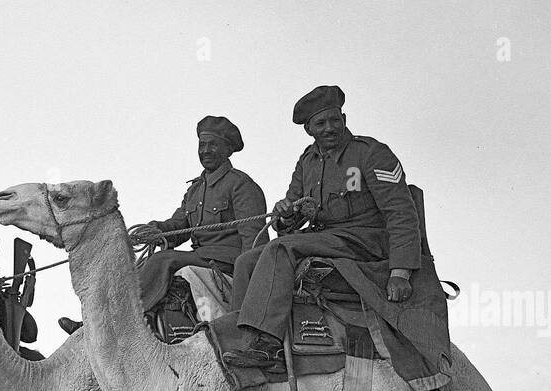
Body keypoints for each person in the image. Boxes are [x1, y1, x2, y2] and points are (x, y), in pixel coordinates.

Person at [221, 86, 422, 369]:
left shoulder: (371, 153)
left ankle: (267, 345)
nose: (329, 128)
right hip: (325, 237)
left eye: (334, 120)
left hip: (365, 239)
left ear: (343, 117)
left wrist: (400, 272)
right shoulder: (307, 162)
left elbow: (401, 212)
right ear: (309, 129)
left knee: (280, 249)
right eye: (320, 123)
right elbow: (289, 220)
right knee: (245, 262)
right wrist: (284, 214)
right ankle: (238, 339)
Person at [58, 116, 265, 334]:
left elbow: (255, 238)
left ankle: (117, 323)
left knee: (161, 260)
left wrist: (251, 285)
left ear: (228, 150)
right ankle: (101, 321)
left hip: (225, 262)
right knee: (136, 266)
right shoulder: (195, 190)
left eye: (213, 145)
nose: (205, 151)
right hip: (201, 256)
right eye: (202, 145)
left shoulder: (241, 185)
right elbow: (178, 225)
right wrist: (155, 229)